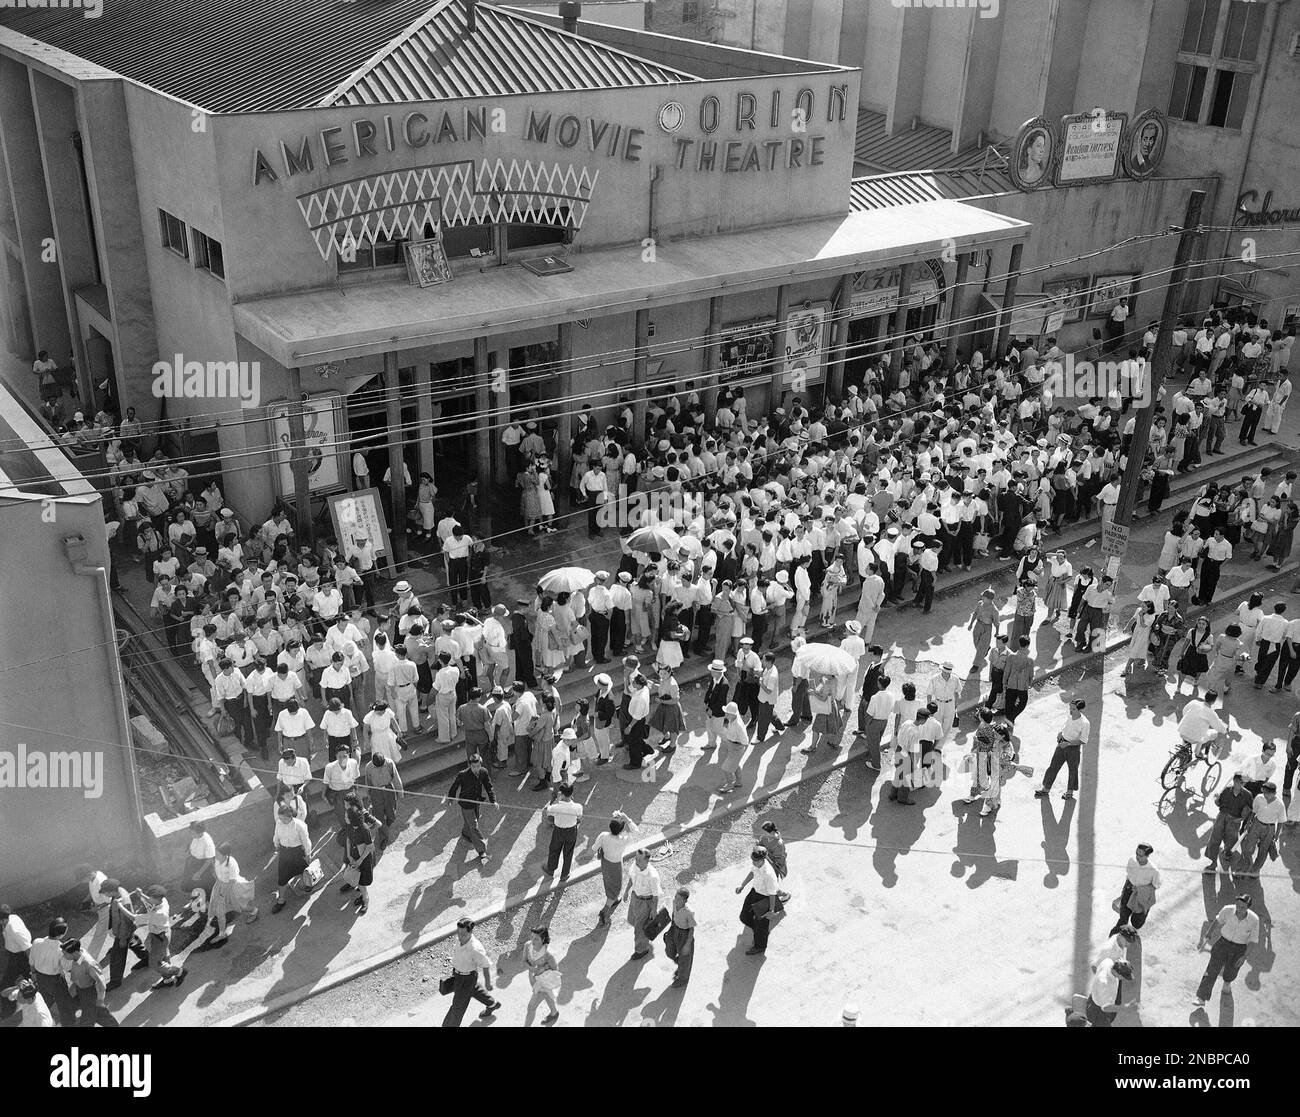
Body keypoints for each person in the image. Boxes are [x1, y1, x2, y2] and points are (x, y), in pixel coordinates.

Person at [1193, 895, 1260, 1006]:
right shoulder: (1228, 909)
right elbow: (1217, 920)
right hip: (1223, 943)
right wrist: (1209, 932)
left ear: (1248, 907)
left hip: (1240, 948)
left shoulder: (1254, 920)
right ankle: (1201, 997)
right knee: (1212, 969)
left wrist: (1244, 956)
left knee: (1232, 970)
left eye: (1243, 907)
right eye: (1237, 905)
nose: (1239, 909)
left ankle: (1227, 982)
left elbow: (1253, 940)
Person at [443, 918, 500, 1027]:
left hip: (466, 979)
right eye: (458, 932)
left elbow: (485, 965)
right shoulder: (459, 939)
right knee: (473, 989)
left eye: (463, 934)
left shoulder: (475, 948)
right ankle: (492, 1004)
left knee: (457, 1007)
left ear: (471, 932)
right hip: (459, 975)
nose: (459, 936)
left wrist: (488, 983)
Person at [130, 886, 188, 990]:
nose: (148, 898)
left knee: (155, 964)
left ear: (157, 899)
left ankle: (179, 972)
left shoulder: (158, 914)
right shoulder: (162, 900)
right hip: (159, 934)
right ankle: (168, 980)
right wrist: (141, 895)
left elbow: (134, 918)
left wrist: (120, 906)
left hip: (159, 938)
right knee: (164, 957)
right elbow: (150, 902)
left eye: (150, 897)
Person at [593, 809, 639, 925]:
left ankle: (611, 900)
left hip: (605, 863)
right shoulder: (624, 840)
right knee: (616, 888)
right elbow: (636, 831)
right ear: (621, 829)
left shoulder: (603, 836)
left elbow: (594, 848)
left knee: (608, 883)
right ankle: (605, 911)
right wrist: (627, 819)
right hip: (616, 865)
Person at [736, 845, 783, 956]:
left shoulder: (769, 874)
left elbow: (772, 894)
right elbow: (752, 873)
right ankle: (758, 930)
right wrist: (742, 885)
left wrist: (771, 911)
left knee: (761, 926)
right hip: (754, 893)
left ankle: (760, 947)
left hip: (764, 899)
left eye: (756, 861)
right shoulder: (756, 865)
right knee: (744, 916)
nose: (753, 863)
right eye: (753, 860)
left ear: (763, 859)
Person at [62, 939, 119, 1028]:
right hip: (81, 991)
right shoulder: (77, 957)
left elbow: (100, 981)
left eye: (65, 954)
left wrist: (100, 999)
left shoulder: (88, 963)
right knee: (99, 1015)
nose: (64, 955)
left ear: (74, 952)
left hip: (89, 994)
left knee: (88, 1020)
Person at [1204, 773, 1254, 870]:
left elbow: (1252, 810)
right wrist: (1216, 799)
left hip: (1235, 820)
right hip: (1222, 816)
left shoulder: (1247, 795)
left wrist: (1243, 819)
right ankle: (1213, 862)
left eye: (1243, 783)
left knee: (1231, 839)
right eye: (1239, 782)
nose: (1241, 785)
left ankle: (1228, 853)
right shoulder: (1226, 790)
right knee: (1215, 838)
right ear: (1234, 781)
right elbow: (1219, 803)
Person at [1110, 843, 1160, 936]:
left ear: (1147, 856)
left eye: (1140, 855)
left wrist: (1140, 889)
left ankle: (1141, 916)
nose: (1137, 857)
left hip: (1141, 896)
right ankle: (1114, 936)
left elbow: (1156, 885)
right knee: (1123, 918)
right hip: (1129, 890)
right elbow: (1128, 877)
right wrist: (1123, 892)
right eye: (1136, 853)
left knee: (1136, 923)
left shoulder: (1153, 870)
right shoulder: (1132, 860)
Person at [271, 802, 313, 913]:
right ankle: (281, 900)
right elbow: (276, 836)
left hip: (297, 852)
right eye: (279, 818)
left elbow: (305, 840)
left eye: (283, 819)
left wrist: (308, 854)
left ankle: (307, 884)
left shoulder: (299, 825)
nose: (281, 821)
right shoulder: (279, 823)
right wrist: (276, 846)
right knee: (282, 877)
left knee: (303, 871)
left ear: (290, 816)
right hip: (285, 852)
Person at [1238, 782, 1285, 876]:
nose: (1265, 795)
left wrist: (1276, 835)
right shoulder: (1259, 798)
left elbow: (1281, 821)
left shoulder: (1280, 804)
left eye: (1268, 793)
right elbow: (1253, 811)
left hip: (1270, 828)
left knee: (1263, 851)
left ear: (1274, 793)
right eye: (1264, 792)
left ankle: (1255, 869)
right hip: (1256, 824)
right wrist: (1248, 823)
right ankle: (1247, 864)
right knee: (1247, 847)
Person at [622, 848, 662, 960]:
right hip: (635, 898)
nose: (636, 861)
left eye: (639, 859)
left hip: (646, 903)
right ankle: (644, 938)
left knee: (639, 929)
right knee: (632, 920)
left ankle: (641, 950)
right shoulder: (635, 866)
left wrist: (654, 910)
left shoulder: (652, 876)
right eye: (636, 858)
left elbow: (655, 895)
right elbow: (631, 878)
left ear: (646, 861)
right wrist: (626, 891)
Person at [340, 799, 377, 915]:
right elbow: (348, 840)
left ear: (352, 819)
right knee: (359, 880)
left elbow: (370, 847)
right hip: (354, 856)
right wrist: (349, 856)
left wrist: (360, 860)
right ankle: (362, 896)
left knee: (362, 883)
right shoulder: (349, 826)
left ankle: (366, 901)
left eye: (347, 817)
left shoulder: (364, 828)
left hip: (364, 859)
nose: (345, 818)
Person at [543, 781, 583, 879]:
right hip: (572, 831)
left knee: (554, 849)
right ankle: (564, 874)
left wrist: (557, 799)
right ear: (572, 793)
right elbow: (579, 818)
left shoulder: (555, 807)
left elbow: (547, 812)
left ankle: (551, 869)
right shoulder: (578, 807)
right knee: (568, 852)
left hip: (558, 831)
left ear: (561, 793)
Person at [1177, 690, 1227, 761]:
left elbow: (1184, 711)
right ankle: (1198, 753)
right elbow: (1218, 726)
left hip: (1182, 731)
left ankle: (1184, 749)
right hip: (1194, 738)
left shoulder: (1194, 702)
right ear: (1213, 701)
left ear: (1205, 696)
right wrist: (1225, 731)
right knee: (1214, 734)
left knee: (1189, 733)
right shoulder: (1211, 713)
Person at [524, 926, 561, 1023]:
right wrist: (533, 969)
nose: (532, 940)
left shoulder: (548, 955)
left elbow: (556, 970)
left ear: (543, 939)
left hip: (543, 983)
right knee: (547, 995)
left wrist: (543, 969)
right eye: (531, 937)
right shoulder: (527, 945)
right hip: (533, 979)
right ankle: (554, 1013)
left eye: (536, 938)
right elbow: (524, 961)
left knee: (531, 1007)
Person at [1085, 958, 1134, 1027]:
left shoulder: (1108, 962)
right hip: (1099, 1011)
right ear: (1117, 972)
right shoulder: (1105, 984)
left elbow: (1095, 966)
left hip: (1098, 998)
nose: (1123, 979)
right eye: (1123, 977)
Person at [663, 887, 696, 988]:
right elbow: (674, 915)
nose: (676, 900)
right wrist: (671, 930)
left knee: (685, 958)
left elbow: (691, 929)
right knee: (669, 952)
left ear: (685, 900)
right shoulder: (674, 903)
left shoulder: (689, 912)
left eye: (679, 899)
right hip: (675, 929)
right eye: (675, 897)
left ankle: (683, 979)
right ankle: (681, 963)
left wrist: (687, 945)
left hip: (685, 935)